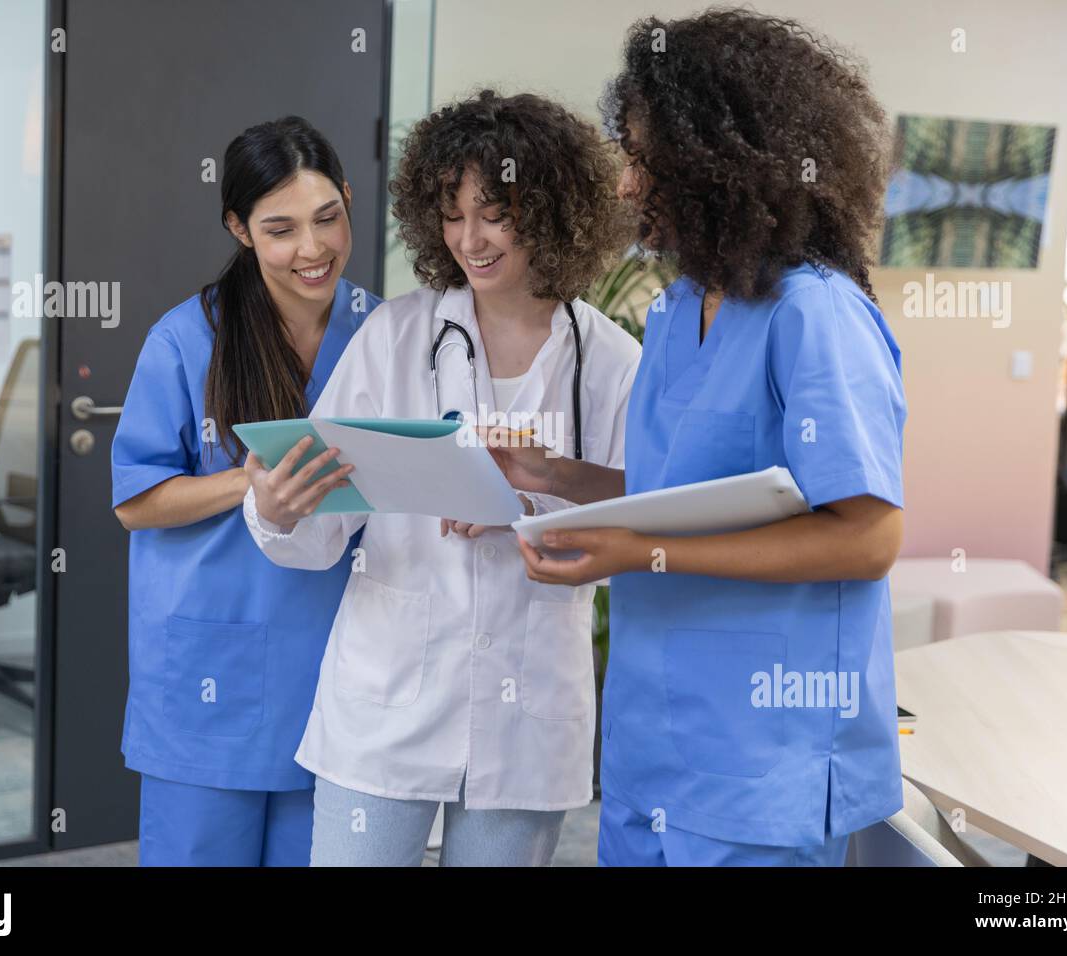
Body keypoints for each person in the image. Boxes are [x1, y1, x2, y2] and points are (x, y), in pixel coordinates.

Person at [500, 8, 907, 866]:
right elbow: (681, 499)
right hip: (655, 741)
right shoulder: (681, 306)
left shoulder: (816, 315)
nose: (626, 186)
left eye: (645, 162)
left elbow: (868, 536)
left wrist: (637, 551)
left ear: (719, 163)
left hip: (762, 759)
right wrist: (561, 476)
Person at [243, 90, 640, 866]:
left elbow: (645, 520)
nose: (471, 239)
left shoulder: (613, 363)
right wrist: (279, 509)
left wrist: (527, 508)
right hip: (386, 699)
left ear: (554, 210)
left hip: (527, 712)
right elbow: (323, 534)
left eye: (495, 212)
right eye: (453, 215)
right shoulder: (397, 338)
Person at [110, 116, 381, 866]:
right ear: (239, 228)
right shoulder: (185, 338)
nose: (312, 249)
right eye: (280, 228)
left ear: (351, 201)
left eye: (328, 218)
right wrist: (250, 481)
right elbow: (136, 500)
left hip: (335, 666)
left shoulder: (384, 334)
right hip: (209, 665)